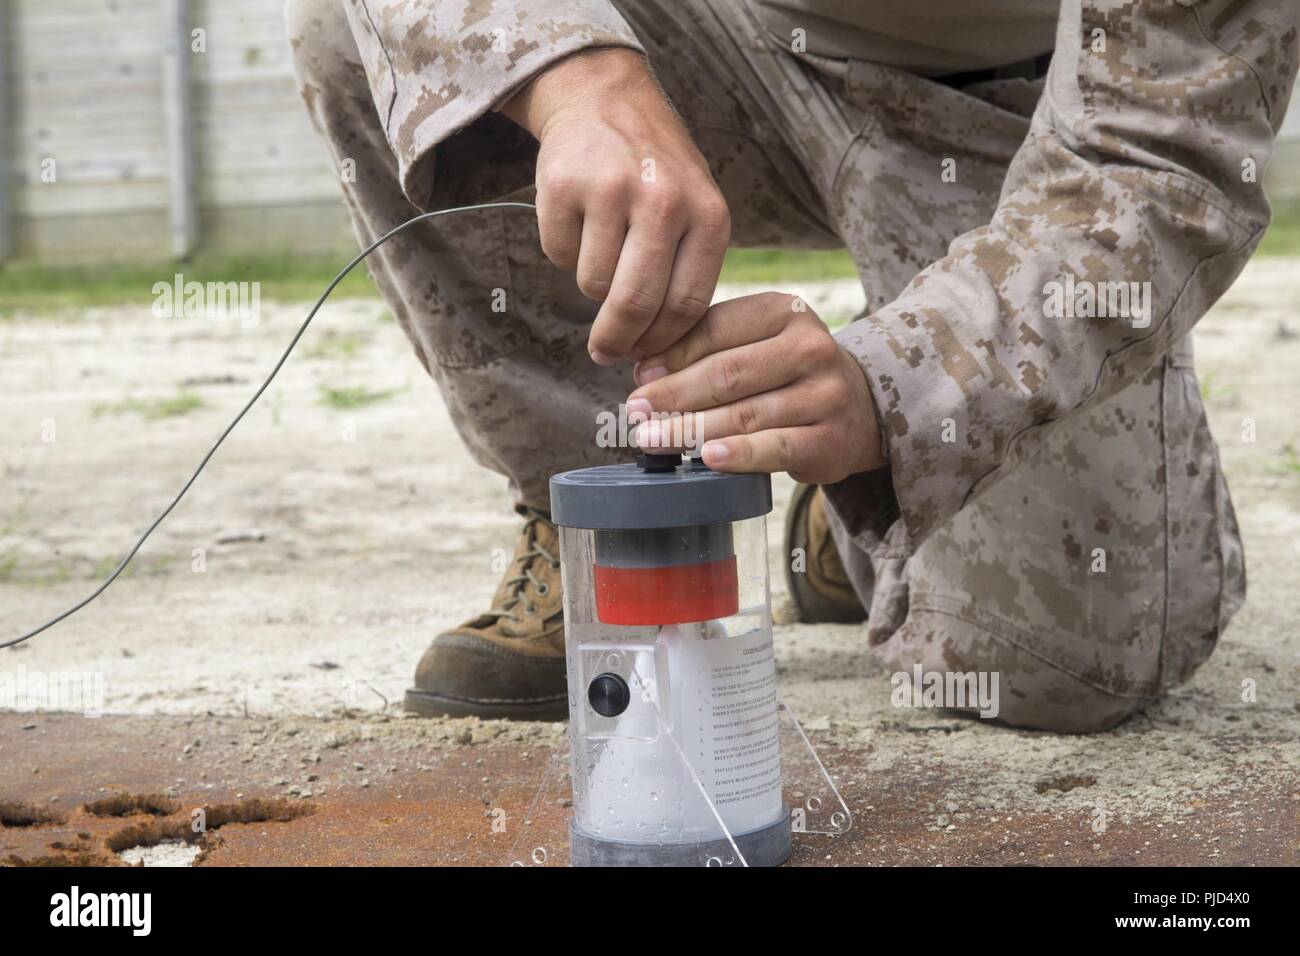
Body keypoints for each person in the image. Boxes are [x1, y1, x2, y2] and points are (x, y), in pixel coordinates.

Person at [286, 0, 1297, 731]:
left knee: (1061, 664)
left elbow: (1157, 159)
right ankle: (593, 516)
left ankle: (851, 483)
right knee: (356, 26)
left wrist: (895, 393)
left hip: (1023, 120)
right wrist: (569, 74)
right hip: (689, 40)